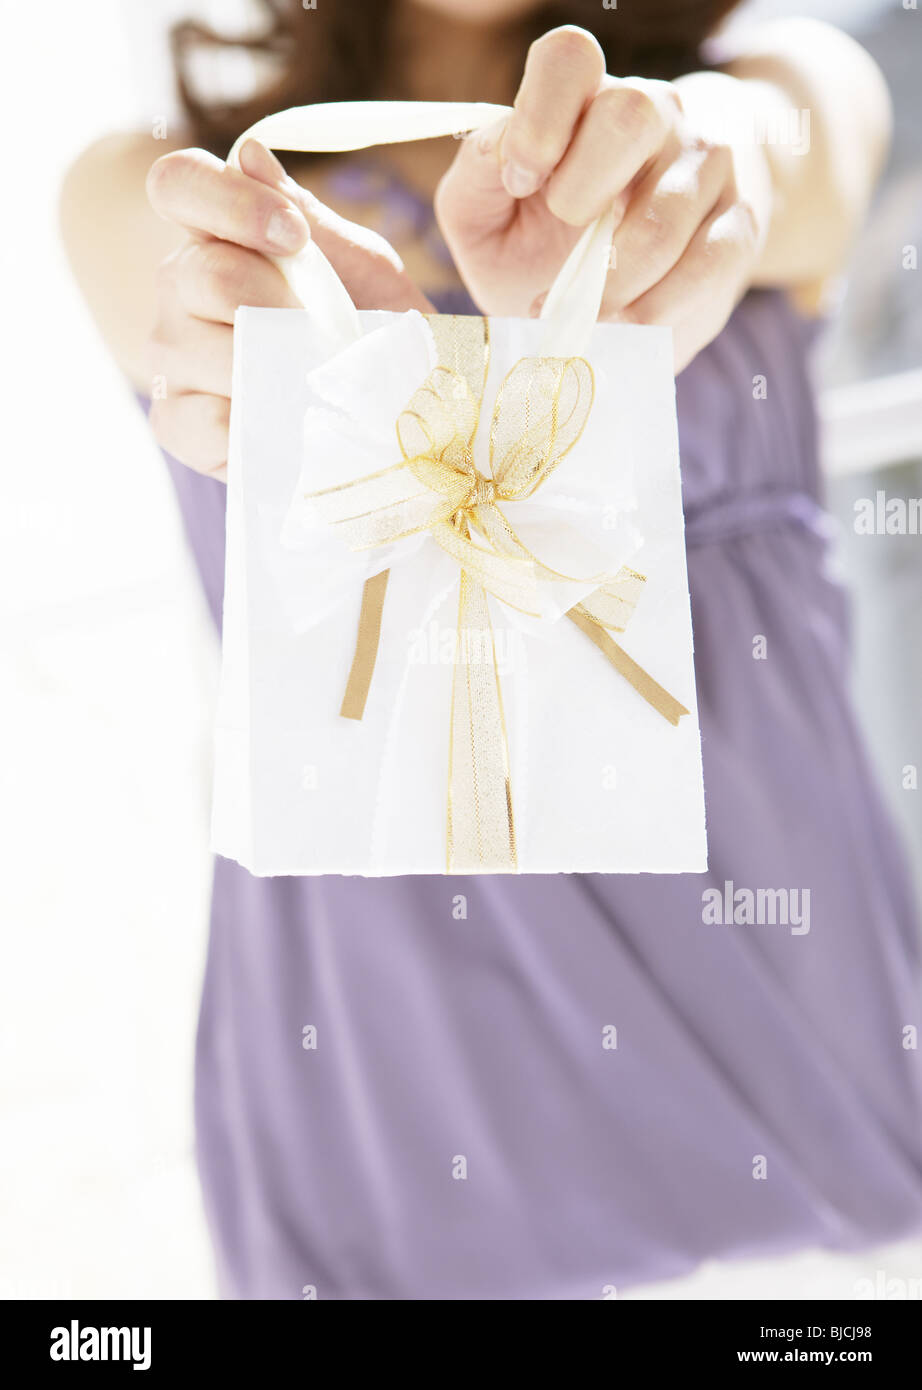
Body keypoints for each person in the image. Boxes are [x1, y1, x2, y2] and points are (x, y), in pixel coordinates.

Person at [61, 0, 922, 1299]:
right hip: (400, 1149)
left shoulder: (769, 88)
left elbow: (781, 150)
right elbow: (150, 261)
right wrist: (257, 316)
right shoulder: (163, 189)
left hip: (807, 1118)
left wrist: (685, 164)